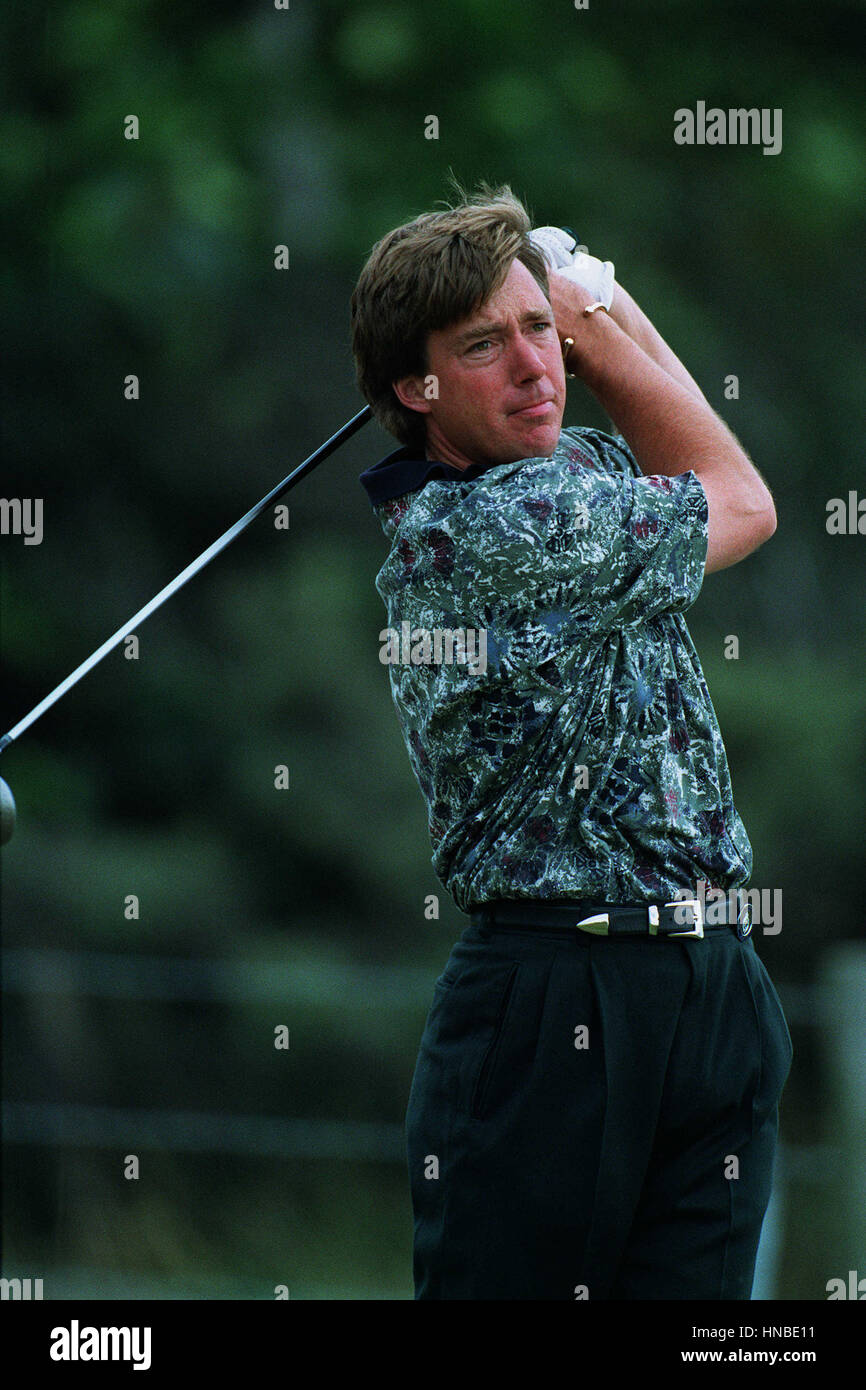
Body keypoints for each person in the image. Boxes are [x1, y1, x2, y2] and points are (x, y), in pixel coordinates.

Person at [350, 183, 793, 1300]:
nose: (532, 367)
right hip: (556, 1002)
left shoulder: (573, 482)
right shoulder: (487, 530)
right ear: (417, 387)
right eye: (483, 347)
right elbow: (737, 498)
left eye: (536, 330)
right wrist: (590, 316)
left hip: (707, 983)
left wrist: (591, 296)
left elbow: (680, 455)